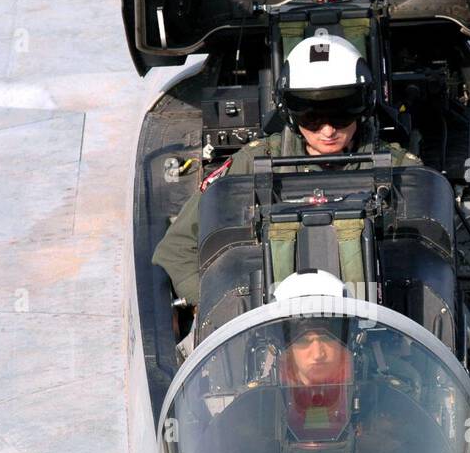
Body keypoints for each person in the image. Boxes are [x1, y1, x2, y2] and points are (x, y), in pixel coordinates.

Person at [152, 33, 420, 308]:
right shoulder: (253, 163)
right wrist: (216, 304)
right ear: (291, 115)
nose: (328, 131)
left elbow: (434, 252)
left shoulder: (399, 168)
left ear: (362, 108)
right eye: (312, 118)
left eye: (341, 114)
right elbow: (177, 248)